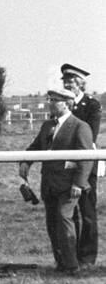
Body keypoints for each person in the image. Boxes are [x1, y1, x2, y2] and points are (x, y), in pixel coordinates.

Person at [20, 87, 94, 274]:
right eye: (50, 99)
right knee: (52, 223)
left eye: (55, 100)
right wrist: (25, 163)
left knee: (64, 218)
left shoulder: (80, 126)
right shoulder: (47, 126)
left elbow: (86, 157)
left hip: (69, 186)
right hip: (49, 185)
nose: (50, 103)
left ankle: (72, 266)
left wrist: (78, 183)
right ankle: (61, 263)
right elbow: (35, 147)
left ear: (67, 103)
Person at [61, 63, 100, 267]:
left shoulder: (92, 105)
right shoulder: (62, 105)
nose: (67, 85)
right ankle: (71, 254)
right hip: (66, 167)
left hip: (85, 165)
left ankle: (87, 257)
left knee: (87, 211)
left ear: (80, 84)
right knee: (69, 211)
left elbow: (90, 136)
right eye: (65, 82)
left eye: (70, 82)